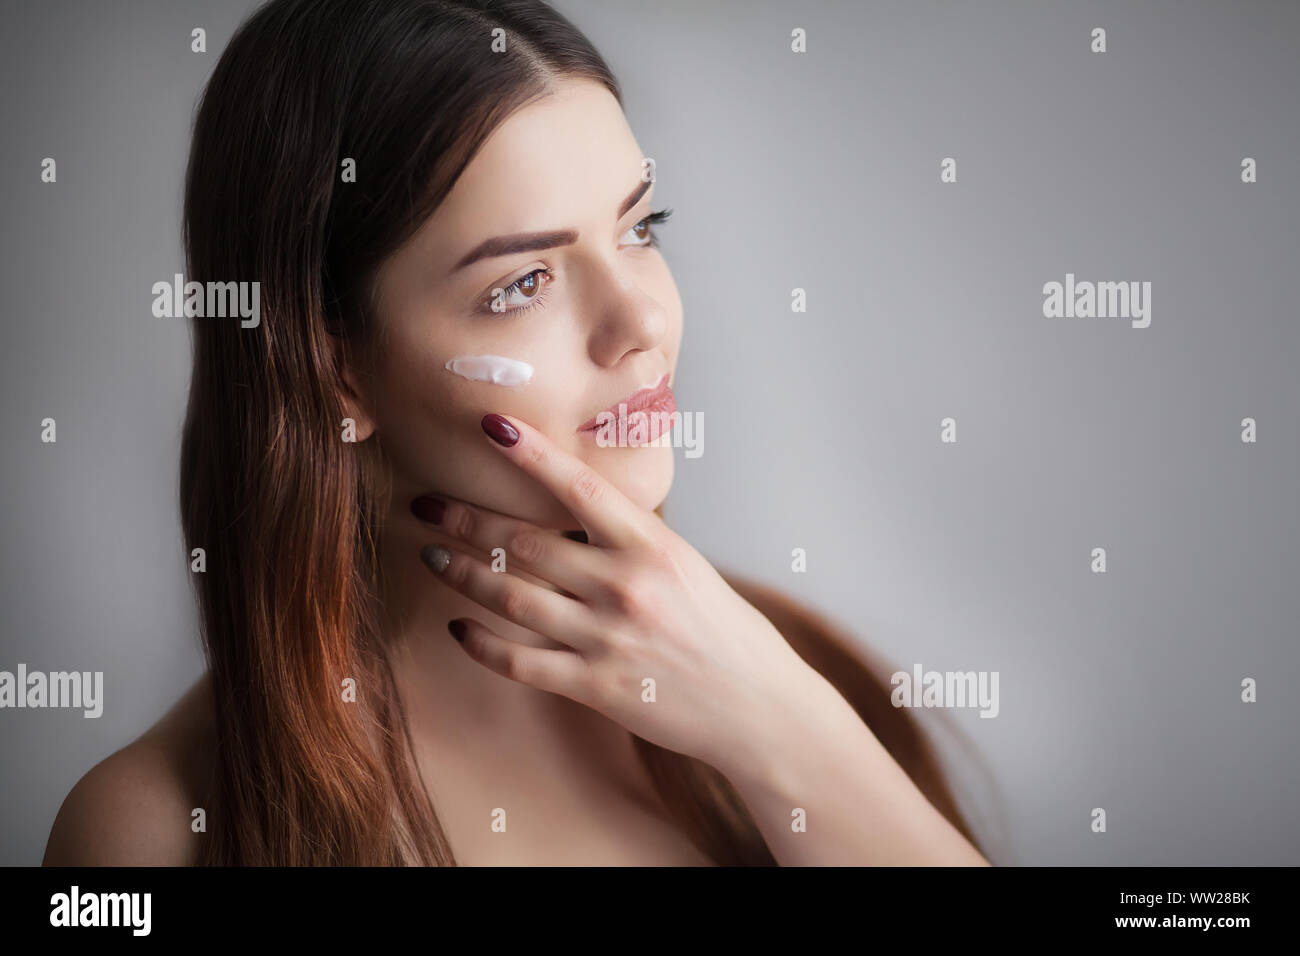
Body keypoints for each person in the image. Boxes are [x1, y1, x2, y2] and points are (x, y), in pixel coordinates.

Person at [44, 0, 990, 866]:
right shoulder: (154, 833)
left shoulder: (802, 676)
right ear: (335, 367)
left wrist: (787, 735)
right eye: (522, 283)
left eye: (639, 227)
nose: (643, 324)